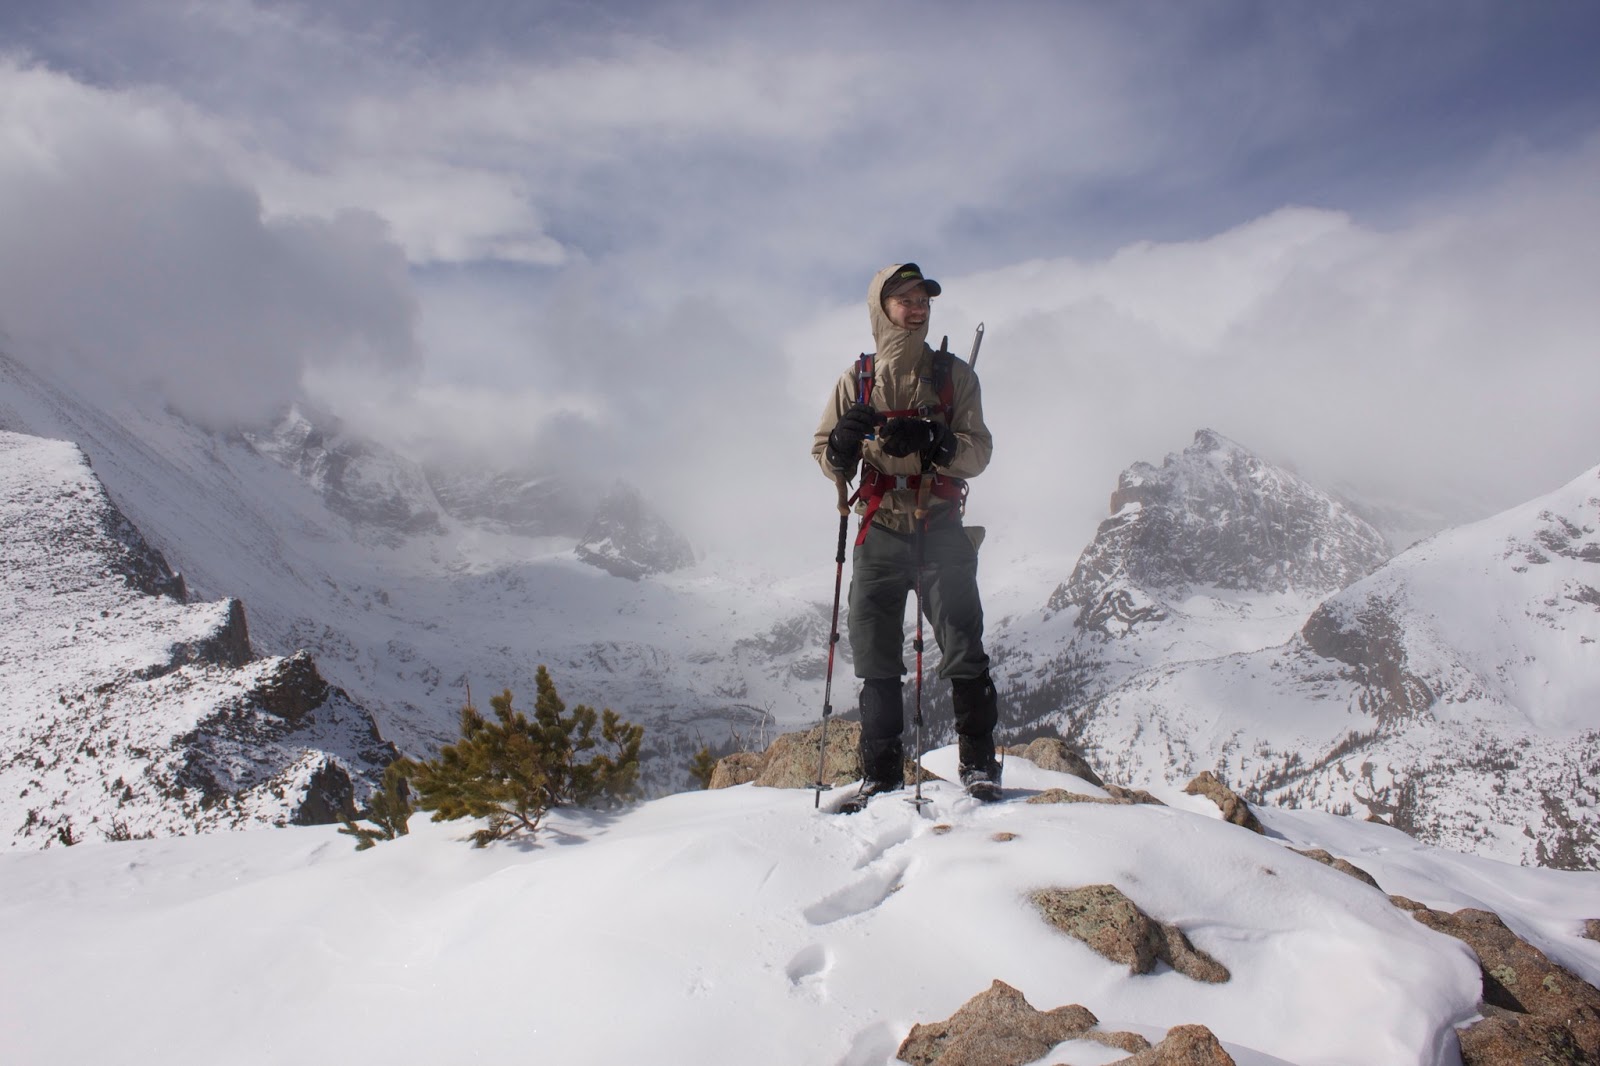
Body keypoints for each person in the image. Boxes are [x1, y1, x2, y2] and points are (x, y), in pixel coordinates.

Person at [811, 262, 1001, 806]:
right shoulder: (857, 380)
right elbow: (825, 454)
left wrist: (938, 442)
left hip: (939, 527)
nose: (918, 310)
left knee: (963, 644)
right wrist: (842, 449)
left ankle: (980, 765)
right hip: (880, 529)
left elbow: (978, 451)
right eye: (907, 300)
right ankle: (882, 774)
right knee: (875, 654)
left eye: (924, 302)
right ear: (883, 306)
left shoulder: (954, 377)